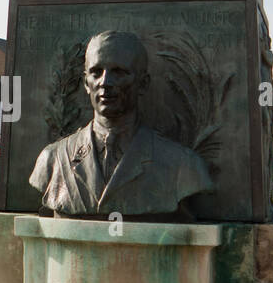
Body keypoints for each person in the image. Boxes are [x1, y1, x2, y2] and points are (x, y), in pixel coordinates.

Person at [29, 30, 213, 218]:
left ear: (143, 83)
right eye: (96, 72)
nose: (105, 82)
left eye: (119, 72)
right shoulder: (52, 160)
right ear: (86, 83)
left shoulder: (183, 166)